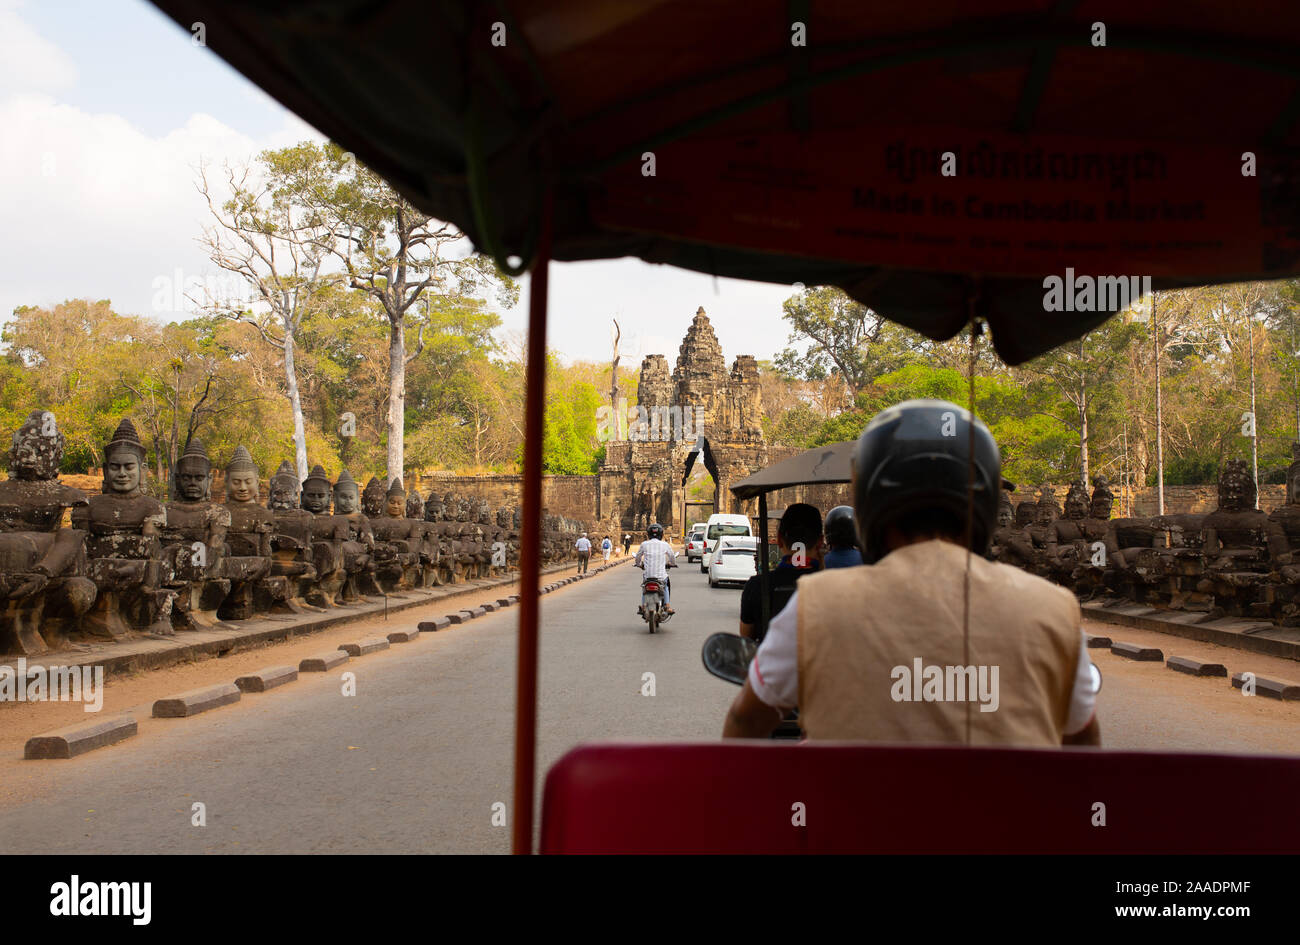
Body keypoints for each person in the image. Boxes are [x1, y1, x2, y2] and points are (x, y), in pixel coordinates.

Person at [723, 398, 1099, 748]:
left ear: (869, 510)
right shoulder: (1051, 609)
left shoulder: (819, 605)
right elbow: (1084, 755)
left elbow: (744, 724)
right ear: (984, 508)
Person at [738, 503, 822, 643]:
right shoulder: (838, 587)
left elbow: (746, 641)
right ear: (820, 542)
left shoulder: (757, 586)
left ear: (779, 540)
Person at [634, 523, 677, 614]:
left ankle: (643, 606)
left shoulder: (644, 544)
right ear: (661, 534)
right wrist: (672, 563)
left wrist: (638, 564)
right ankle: (667, 606)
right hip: (661, 576)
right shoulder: (665, 544)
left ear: (648, 534)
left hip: (648, 576)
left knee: (644, 588)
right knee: (666, 585)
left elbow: (638, 557)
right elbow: (672, 556)